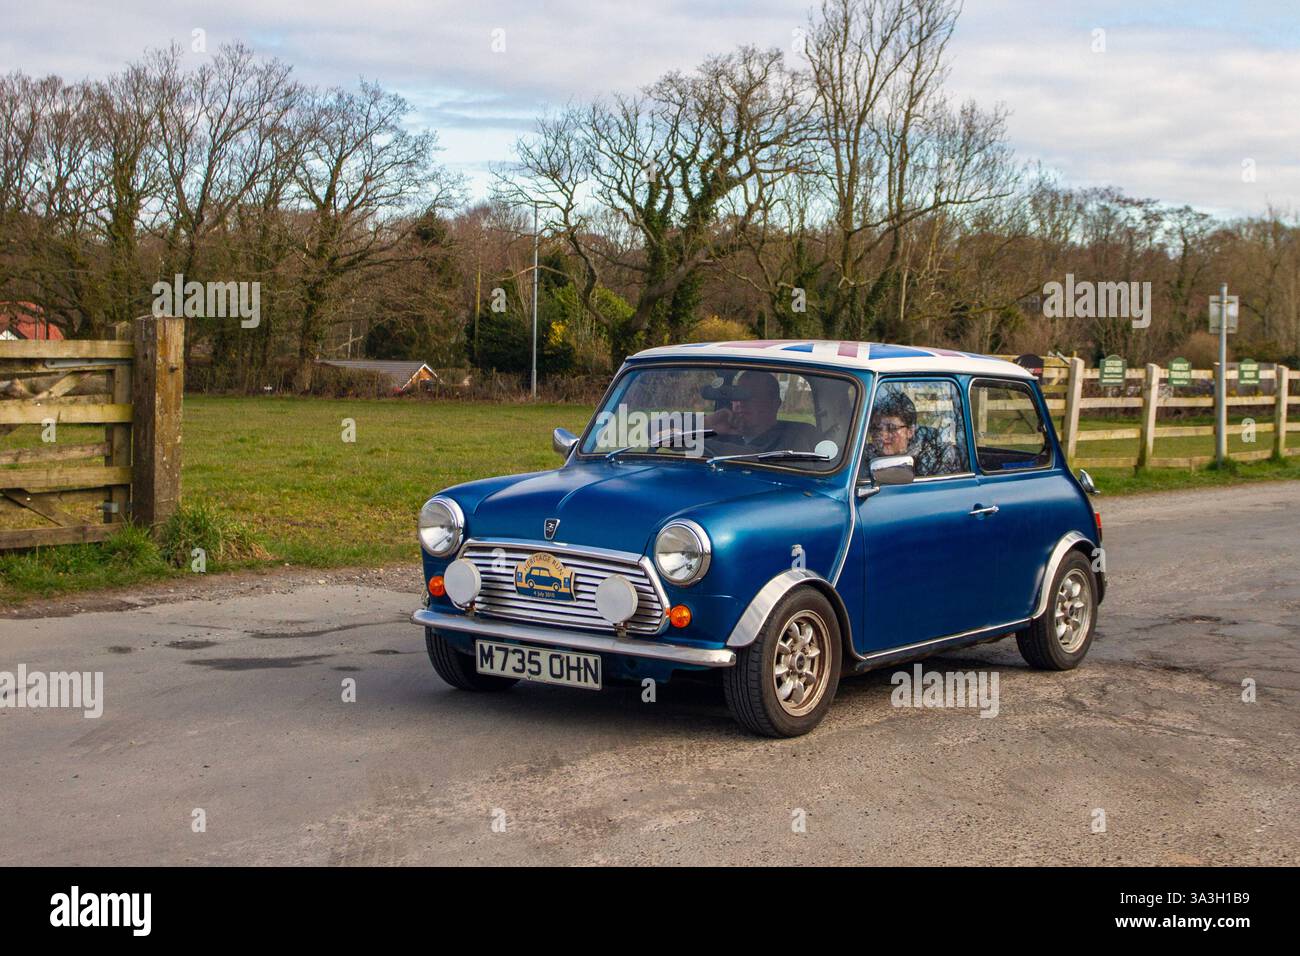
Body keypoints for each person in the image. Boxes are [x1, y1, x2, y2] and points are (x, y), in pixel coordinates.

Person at [706, 370, 815, 452]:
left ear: (775, 404)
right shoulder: (720, 431)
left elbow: (754, 457)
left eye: (751, 396)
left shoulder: (792, 441)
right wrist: (706, 425)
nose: (740, 402)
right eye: (738, 394)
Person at [864, 389, 963, 477]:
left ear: (910, 431)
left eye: (892, 428)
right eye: (876, 428)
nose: (883, 435)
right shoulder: (861, 459)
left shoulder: (932, 461)